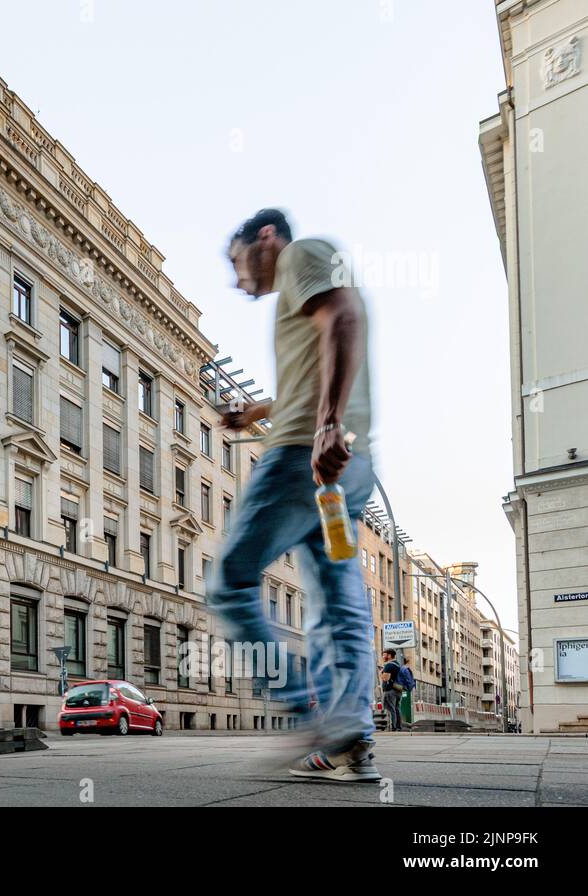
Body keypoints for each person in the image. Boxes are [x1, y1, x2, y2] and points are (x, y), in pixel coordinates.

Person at [214, 209, 380, 783]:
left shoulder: (301, 255)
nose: (239, 282)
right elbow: (299, 385)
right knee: (337, 605)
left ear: (264, 238)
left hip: (300, 458)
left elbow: (344, 316)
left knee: (230, 581)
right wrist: (252, 413)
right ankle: (347, 736)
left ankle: (307, 710)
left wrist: (325, 422)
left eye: (236, 264)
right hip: (344, 472)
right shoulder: (300, 283)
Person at [380, 649, 404, 732]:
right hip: (398, 689)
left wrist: (381, 672)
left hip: (390, 690)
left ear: (389, 655)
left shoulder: (389, 665)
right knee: (397, 709)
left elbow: (385, 678)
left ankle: (392, 727)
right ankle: (398, 727)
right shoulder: (397, 664)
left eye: (384, 655)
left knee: (390, 709)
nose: (383, 657)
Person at [398, 655, 417, 727]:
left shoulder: (401, 669)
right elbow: (410, 681)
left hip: (401, 689)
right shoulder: (406, 669)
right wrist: (409, 689)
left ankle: (399, 723)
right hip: (404, 689)